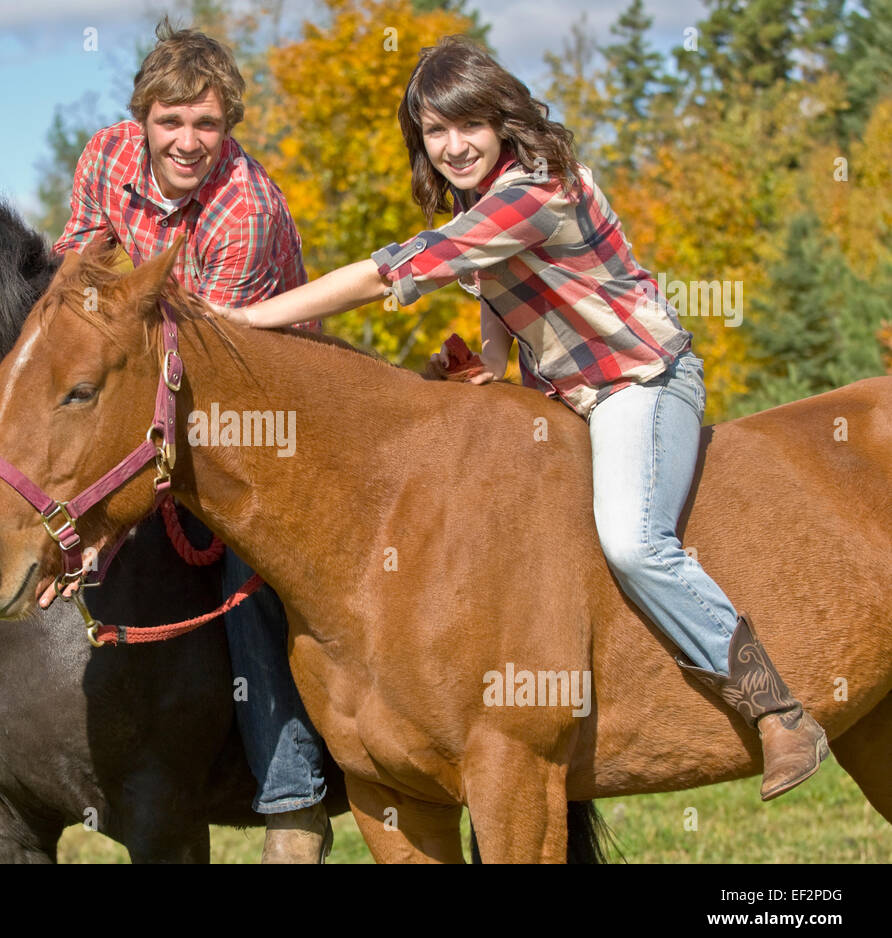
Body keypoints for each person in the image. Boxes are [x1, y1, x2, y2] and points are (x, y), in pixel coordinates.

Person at [214, 35, 829, 802]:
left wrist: (249, 320)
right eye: (434, 132)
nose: (452, 146)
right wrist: (486, 369)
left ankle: (777, 708)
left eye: (468, 124)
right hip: (567, 398)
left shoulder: (534, 193)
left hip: (640, 383)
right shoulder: (484, 206)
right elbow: (501, 306)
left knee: (633, 542)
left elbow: (391, 272)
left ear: (502, 119)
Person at [47, 18, 331, 862]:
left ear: (228, 127)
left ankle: (293, 792)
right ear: (143, 117)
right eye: (171, 121)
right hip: (146, 388)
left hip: (260, 407)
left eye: (207, 124)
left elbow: (199, 353)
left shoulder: (246, 206)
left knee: (254, 585)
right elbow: (77, 273)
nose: (188, 141)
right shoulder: (104, 157)